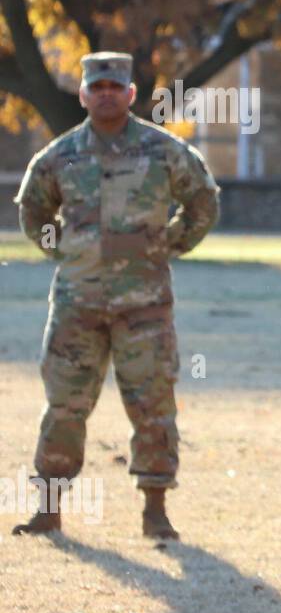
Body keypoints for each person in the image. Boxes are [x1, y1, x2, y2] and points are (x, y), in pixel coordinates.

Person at [13, 51, 220, 539]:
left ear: (130, 94)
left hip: (143, 305)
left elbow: (203, 200)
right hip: (76, 304)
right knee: (64, 404)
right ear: (83, 94)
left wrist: (171, 242)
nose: (106, 93)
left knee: (152, 403)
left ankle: (155, 508)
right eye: (96, 86)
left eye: (115, 87)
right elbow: (33, 209)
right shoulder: (58, 157)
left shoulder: (163, 151)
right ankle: (48, 508)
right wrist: (64, 250)